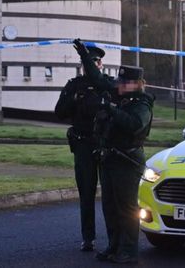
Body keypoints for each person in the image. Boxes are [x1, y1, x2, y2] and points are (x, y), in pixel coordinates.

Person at [73, 40, 153, 264]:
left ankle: (129, 250)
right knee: (109, 206)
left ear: (135, 84)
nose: (118, 84)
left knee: (127, 208)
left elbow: (134, 124)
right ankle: (114, 246)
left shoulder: (142, 103)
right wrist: (85, 57)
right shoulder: (120, 94)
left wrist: (111, 109)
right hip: (110, 158)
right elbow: (98, 79)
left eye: (124, 81)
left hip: (127, 160)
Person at [55, 44, 113, 252]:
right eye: (89, 62)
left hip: (105, 144)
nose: (92, 66)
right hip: (83, 145)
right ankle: (88, 238)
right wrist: (73, 100)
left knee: (109, 194)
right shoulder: (74, 85)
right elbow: (59, 112)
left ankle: (113, 239)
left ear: (100, 64)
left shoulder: (106, 85)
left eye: (96, 62)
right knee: (86, 193)